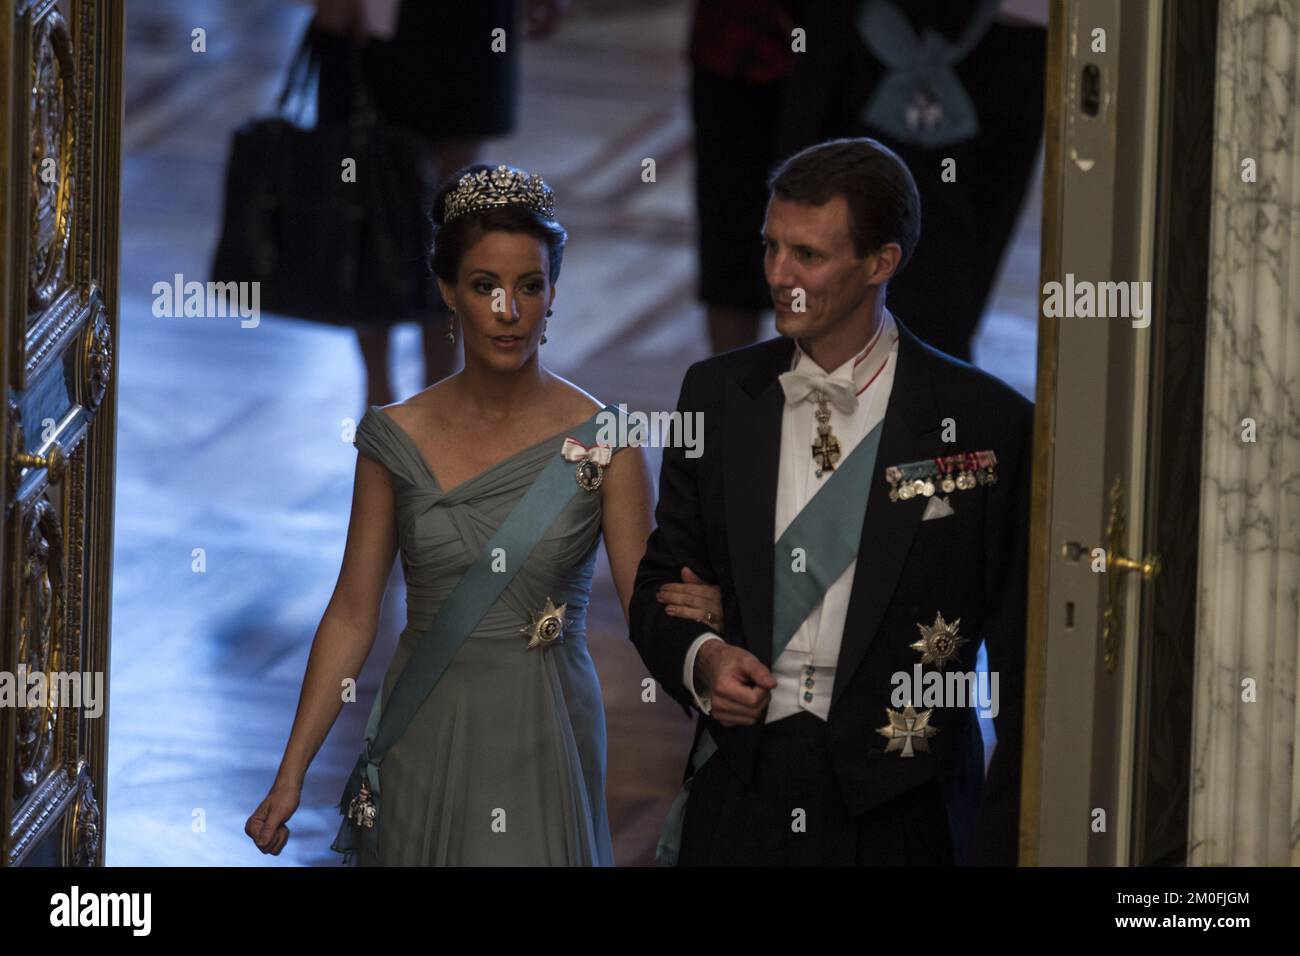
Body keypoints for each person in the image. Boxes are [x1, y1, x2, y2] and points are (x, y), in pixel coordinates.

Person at [245, 163, 722, 865]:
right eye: (484, 287)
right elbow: (352, 613)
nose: (508, 311)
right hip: (419, 733)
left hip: (546, 737)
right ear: (447, 291)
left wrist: (709, 633)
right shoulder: (391, 437)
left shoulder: (607, 439)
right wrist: (291, 777)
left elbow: (644, 604)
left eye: (529, 287)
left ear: (552, 293)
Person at [630, 138, 1033, 866]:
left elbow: (1023, 665)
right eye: (771, 247)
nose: (779, 276)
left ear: (882, 262)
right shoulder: (714, 396)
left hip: (904, 811)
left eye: (808, 256)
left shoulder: (986, 423)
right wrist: (705, 657)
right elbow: (661, 588)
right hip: (740, 795)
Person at [309, 0, 570, 407]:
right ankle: (378, 396)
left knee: (454, 216)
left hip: (463, 24)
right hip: (370, 25)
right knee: (365, 205)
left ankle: (440, 396)